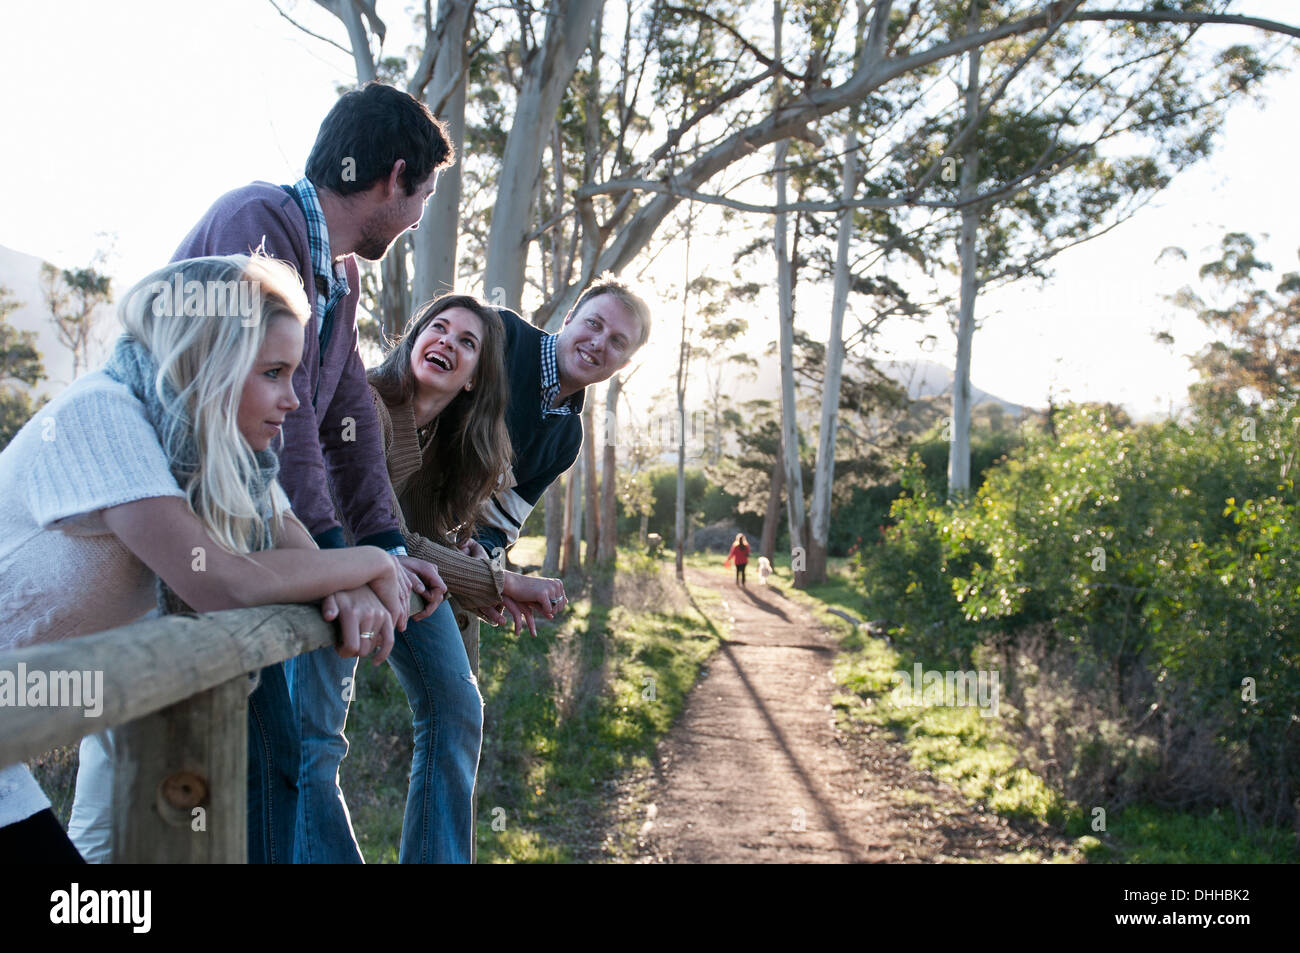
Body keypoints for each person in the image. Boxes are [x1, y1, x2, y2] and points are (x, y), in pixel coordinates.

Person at [0, 255, 411, 862]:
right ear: (210, 362)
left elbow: (286, 532)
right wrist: (372, 564)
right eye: (273, 372)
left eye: (294, 373)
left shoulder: (219, 454)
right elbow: (219, 580)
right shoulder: (103, 415)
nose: (293, 400)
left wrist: (345, 584)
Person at [169, 82, 454, 863]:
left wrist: (388, 545)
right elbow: (278, 423)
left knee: (269, 769)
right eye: (424, 194)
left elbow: (344, 414)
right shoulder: (257, 224)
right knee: (191, 783)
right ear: (395, 176)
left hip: (252, 534)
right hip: (177, 543)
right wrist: (333, 558)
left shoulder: (342, 276)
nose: (422, 213)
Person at [365, 292, 565, 862]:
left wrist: (483, 573)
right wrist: (500, 587)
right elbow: (381, 533)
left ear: (476, 378)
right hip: (324, 570)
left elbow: (439, 541)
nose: (447, 343)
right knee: (312, 741)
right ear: (413, 339)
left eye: (467, 342)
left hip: (404, 580)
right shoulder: (368, 406)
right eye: (439, 328)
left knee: (458, 707)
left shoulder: (458, 443)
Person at [465, 277, 653, 657]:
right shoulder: (501, 335)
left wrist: (484, 560)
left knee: (459, 708)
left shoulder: (568, 438)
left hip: (452, 562)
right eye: (594, 324)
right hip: (374, 520)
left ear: (626, 362)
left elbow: (500, 524)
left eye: (618, 341)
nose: (600, 343)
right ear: (569, 318)